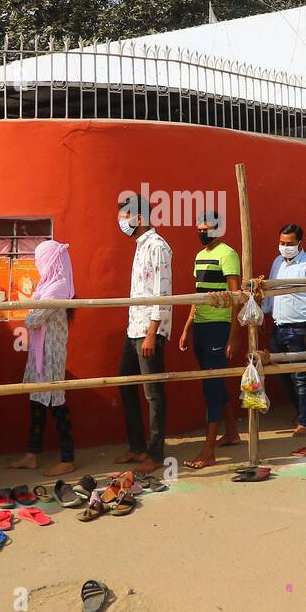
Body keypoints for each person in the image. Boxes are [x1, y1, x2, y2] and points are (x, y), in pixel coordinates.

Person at [9, 239, 78, 476]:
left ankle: (67, 458)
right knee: (37, 400)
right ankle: (32, 454)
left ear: (50, 260)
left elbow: (33, 319)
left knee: (56, 402)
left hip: (51, 352)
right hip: (40, 351)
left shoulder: (57, 287)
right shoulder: (46, 285)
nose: (38, 264)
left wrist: (30, 312)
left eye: (40, 259)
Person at [178, 212, 241, 470]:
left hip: (219, 325)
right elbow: (198, 293)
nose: (202, 232)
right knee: (212, 380)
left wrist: (233, 335)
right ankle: (232, 432)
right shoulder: (200, 256)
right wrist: (187, 327)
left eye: (207, 228)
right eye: (199, 228)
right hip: (202, 325)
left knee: (211, 387)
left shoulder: (228, 254)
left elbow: (237, 295)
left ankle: (208, 449)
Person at [114, 196, 172, 473]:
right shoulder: (140, 246)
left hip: (150, 329)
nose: (122, 222)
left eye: (125, 216)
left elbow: (162, 293)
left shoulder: (157, 247)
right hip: (133, 327)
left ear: (139, 218)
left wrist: (152, 333)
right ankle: (137, 447)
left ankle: (156, 453)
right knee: (125, 384)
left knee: (153, 393)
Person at [263, 223, 306, 437]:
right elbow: (271, 288)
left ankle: (304, 422)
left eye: (289, 244)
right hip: (279, 326)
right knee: (282, 374)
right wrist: (264, 313)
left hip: (300, 328)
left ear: (300, 243)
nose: (285, 247)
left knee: (301, 376)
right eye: (281, 243)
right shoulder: (277, 262)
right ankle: (300, 410)